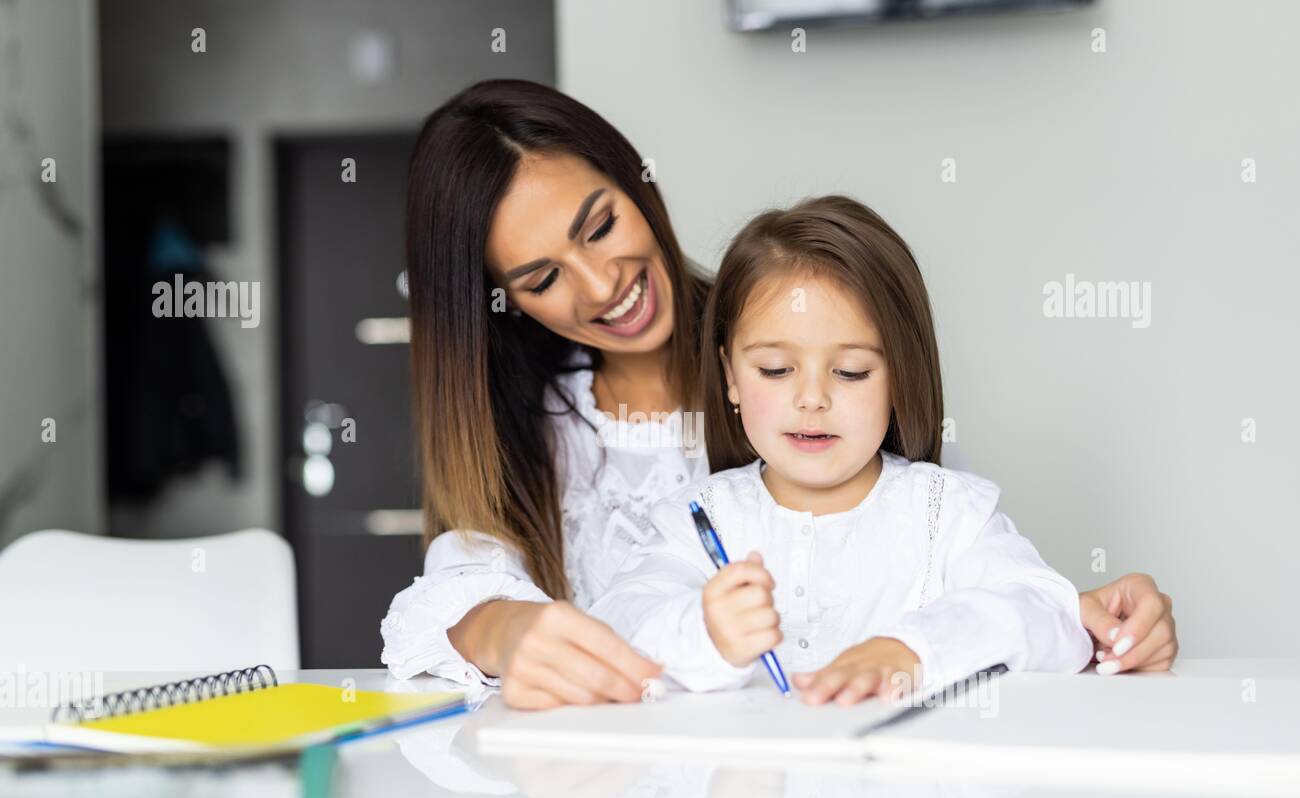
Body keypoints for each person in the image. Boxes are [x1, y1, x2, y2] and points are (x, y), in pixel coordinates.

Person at [381, 79, 1177, 710]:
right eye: (544, 277)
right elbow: (467, 597)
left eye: (599, 226)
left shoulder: (823, 349)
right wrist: (506, 627)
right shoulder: (564, 452)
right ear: (504, 301)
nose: (601, 284)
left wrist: (1087, 616)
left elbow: (973, 574)